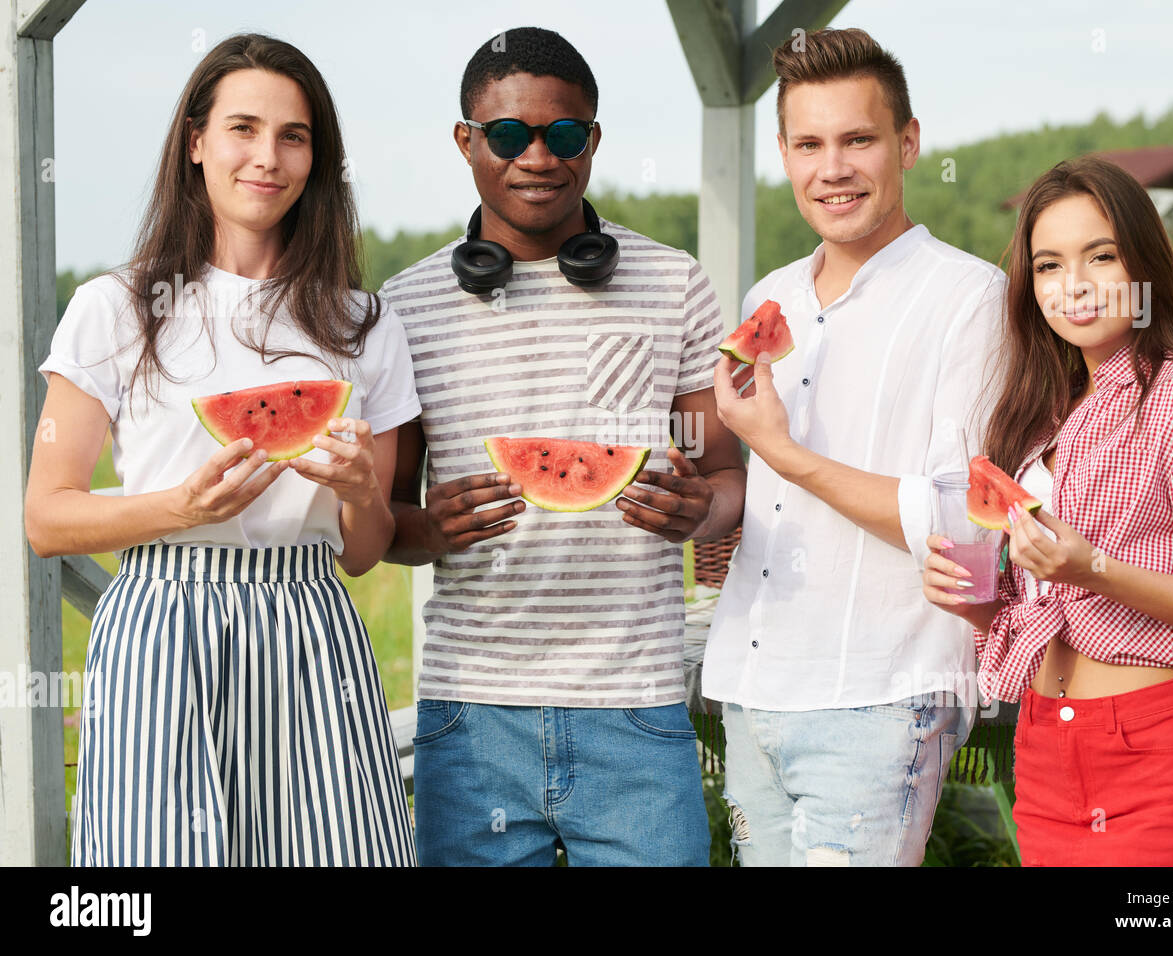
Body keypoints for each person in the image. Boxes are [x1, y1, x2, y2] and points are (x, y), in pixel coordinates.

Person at [25, 34, 421, 866]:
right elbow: (47, 518)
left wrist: (359, 493)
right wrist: (181, 508)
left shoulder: (363, 323)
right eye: (243, 129)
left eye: (293, 136)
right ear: (196, 142)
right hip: (158, 625)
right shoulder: (114, 307)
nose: (266, 157)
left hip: (311, 623)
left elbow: (364, 553)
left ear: (318, 160)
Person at [380, 27, 746, 867]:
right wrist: (430, 530)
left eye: (564, 134)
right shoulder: (404, 305)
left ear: (594, 139)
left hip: (636, 709)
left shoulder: (672, 280)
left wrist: (700, 512)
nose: (538, 156)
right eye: (508, 135)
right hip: (471, 714)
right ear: (466, 141)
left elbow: (727, 478)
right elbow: (388, 524)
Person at [921, 156, 1173, 866]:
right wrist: (980, 611)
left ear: (1144, 266)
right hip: (1045, 748)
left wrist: (1092, 567)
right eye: (1050, 265)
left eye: (1102, 256)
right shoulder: (1043, 418)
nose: (1074, 286)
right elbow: (1054, 603)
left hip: (1155, 751)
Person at [706, 27, 1005, 866]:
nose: (831, 168)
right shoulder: (772, 295)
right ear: (782, 153)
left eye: (857, 140)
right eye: (809, 144)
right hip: (751, 687)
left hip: (881, 691)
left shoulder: (971, 298)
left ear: (908, 143)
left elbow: (961, 522)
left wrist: (785, 452)